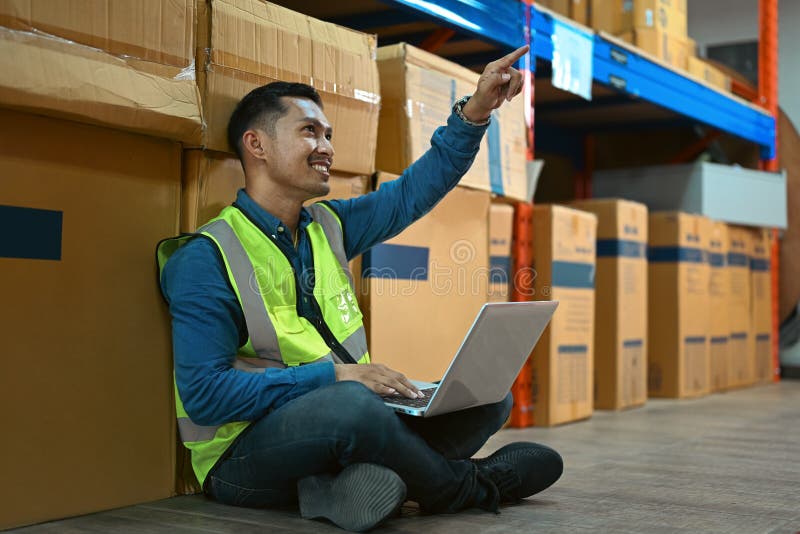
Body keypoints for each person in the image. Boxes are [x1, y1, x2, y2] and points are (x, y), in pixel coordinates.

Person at [157, 44, 562, 532]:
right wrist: (336, 379)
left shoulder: (329, 225)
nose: (327, 146)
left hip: (337, 425)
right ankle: (468, 486)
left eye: (328, 133)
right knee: (353, 408)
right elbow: (206, 397)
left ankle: (348, 486)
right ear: (256, 145)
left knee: (484, 395)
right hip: (243, 459)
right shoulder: (205, 256)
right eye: (309, 131)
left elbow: (417, 190)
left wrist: (476, 111)